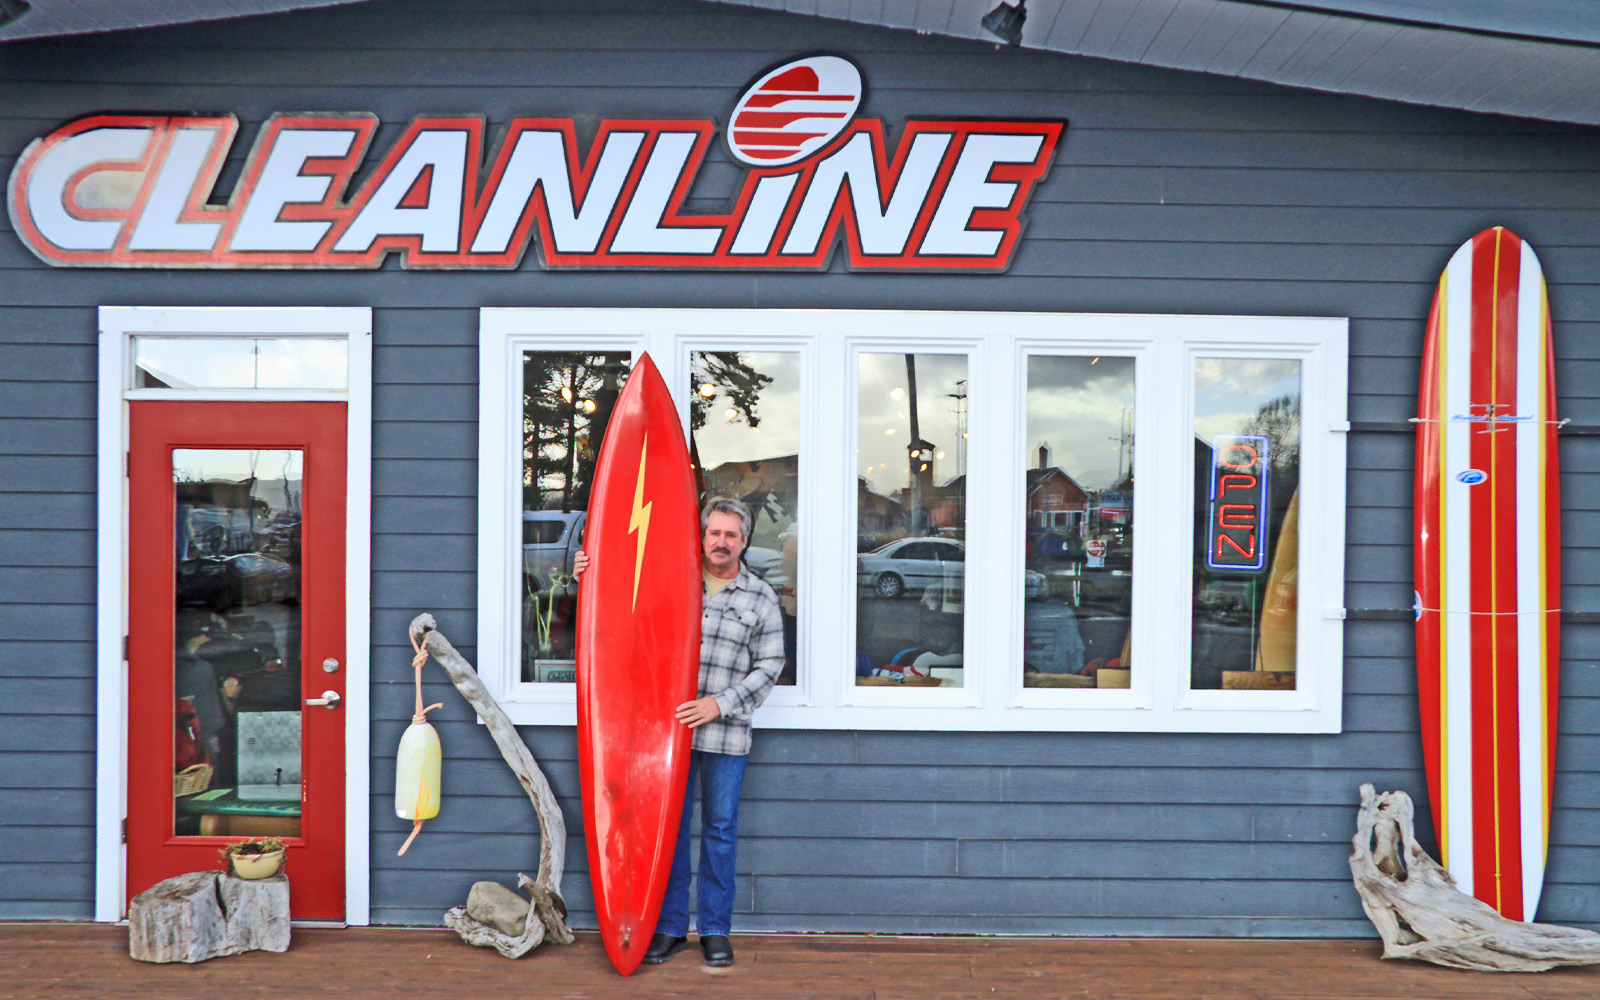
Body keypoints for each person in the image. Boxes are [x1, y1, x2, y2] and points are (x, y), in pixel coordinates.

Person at [574, 495, 784, 967]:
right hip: (667, 737)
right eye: (715, 533)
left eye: (732, 535)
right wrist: (587, 568)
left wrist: (718, 705)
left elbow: (771, 665)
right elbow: (617, 602)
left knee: (720, 830)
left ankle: (714, 930)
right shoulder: (671, 581)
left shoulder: (760, 597)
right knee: (667, 832)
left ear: (744, 542)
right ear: (702, 536)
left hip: (726, 736)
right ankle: (669, 928)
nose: (722, 542)